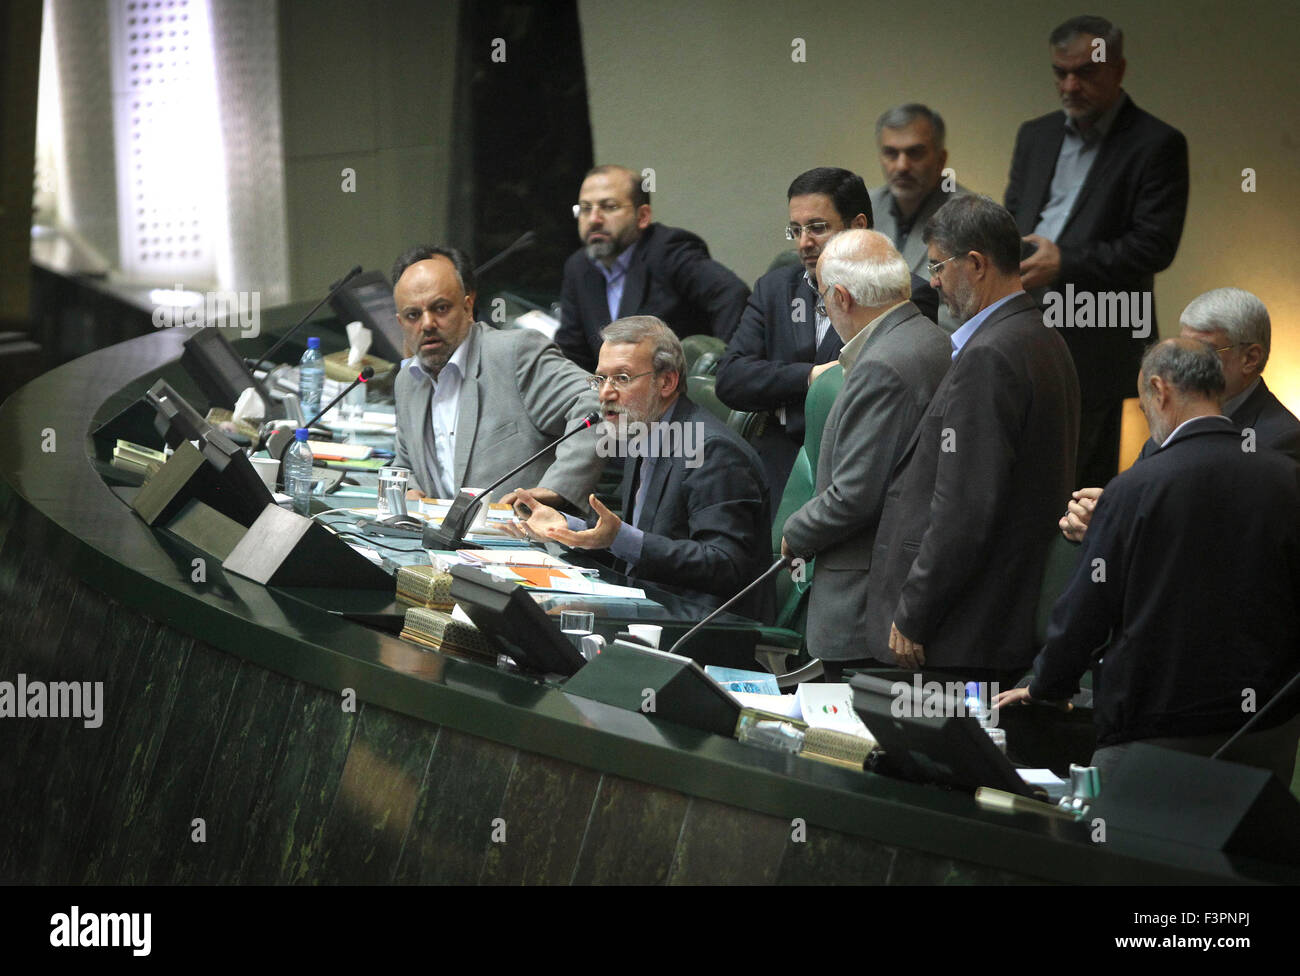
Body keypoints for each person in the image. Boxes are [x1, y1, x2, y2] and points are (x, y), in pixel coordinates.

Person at [997, 339, 1300, 786]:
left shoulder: (1136, 488)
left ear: (1159, 391)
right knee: (1242, 857)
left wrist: (1046, 686)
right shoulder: (1286, 479)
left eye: (1142, 405)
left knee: (1116, 853)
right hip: (1264, 733)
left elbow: (1086, 609)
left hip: (1155, 732)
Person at [865, 194, 1080, 685]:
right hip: (993, 624)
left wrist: (915, 609)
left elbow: (964, 506)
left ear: (977, 264)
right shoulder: (1042, 337)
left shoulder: (991, 355)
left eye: (939, 266)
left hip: (956, 634)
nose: (933, 280)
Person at [1005, 15, 1189, 490]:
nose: (1070, 84)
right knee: (1017, 475)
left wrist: (1065, 262)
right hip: (1024, 329)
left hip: (1099, 338)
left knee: (1077, 489)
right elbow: (1013, 217)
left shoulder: (1157, 144)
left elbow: (1154, 246)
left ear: (1119, 69)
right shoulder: (1035, 134)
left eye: (1086, 72)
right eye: (1060, 72)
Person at [508, 316, 773, 622]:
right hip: (649, 611)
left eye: (621, 378)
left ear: (667, 382)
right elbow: (635, 544)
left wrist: (621, 537)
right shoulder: (641, 432)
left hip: (705, 628)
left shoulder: (712, 451)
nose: (605, 393)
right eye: (600, 379)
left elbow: (725, 564)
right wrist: (566, 527)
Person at [779, 230, 950, 682]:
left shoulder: (883, 365)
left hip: (863, 606)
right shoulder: (932, 340)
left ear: (840, 296)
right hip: (897, 597)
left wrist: (796, 531)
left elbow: (855, 495)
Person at [714, 167, 939, 498]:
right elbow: (731, 379)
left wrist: (779, 399)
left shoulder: (903, 293)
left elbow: (871, 393)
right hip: (774, 461)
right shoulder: (776, 288)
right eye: (795, 230)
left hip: (851, 464)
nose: (804, 243)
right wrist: (812, 376)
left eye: (817, 228)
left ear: (858, 226)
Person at [1060, 287, 1300, 542]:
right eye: (1185, 350)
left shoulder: (1281, 439)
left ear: (1250, 358)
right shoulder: (1173, 418)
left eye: (1205, 351)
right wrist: (1105, 507)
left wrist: (1119, 521)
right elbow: (1145, 498)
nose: (1188, 364)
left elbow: (1222, 536)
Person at [391, 245, 602, 511]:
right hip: (440, 543)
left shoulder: (514, 354)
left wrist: (557, 489)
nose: (428, 324)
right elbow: (406, 463)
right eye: (413, 315)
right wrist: (409, 489)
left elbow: (599, 402)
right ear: (401, 323)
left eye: (441, 308)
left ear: (468, 307)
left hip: (522, 541)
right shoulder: (407, 381)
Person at [555, 165, 750, 372]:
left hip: (676, 393)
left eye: (609, 207)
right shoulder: (579, 267)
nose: (594, 219)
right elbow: (572, 350)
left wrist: (725, 370)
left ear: (643, 216)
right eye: (585, 209)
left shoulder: (668, 250)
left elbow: (731, 295)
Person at [869, 104, 968, 332]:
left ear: (941, 159)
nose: (902, 166)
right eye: (891, 153)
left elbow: (967, 314)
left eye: (915, 153)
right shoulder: (863, 207)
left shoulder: (969, 216)